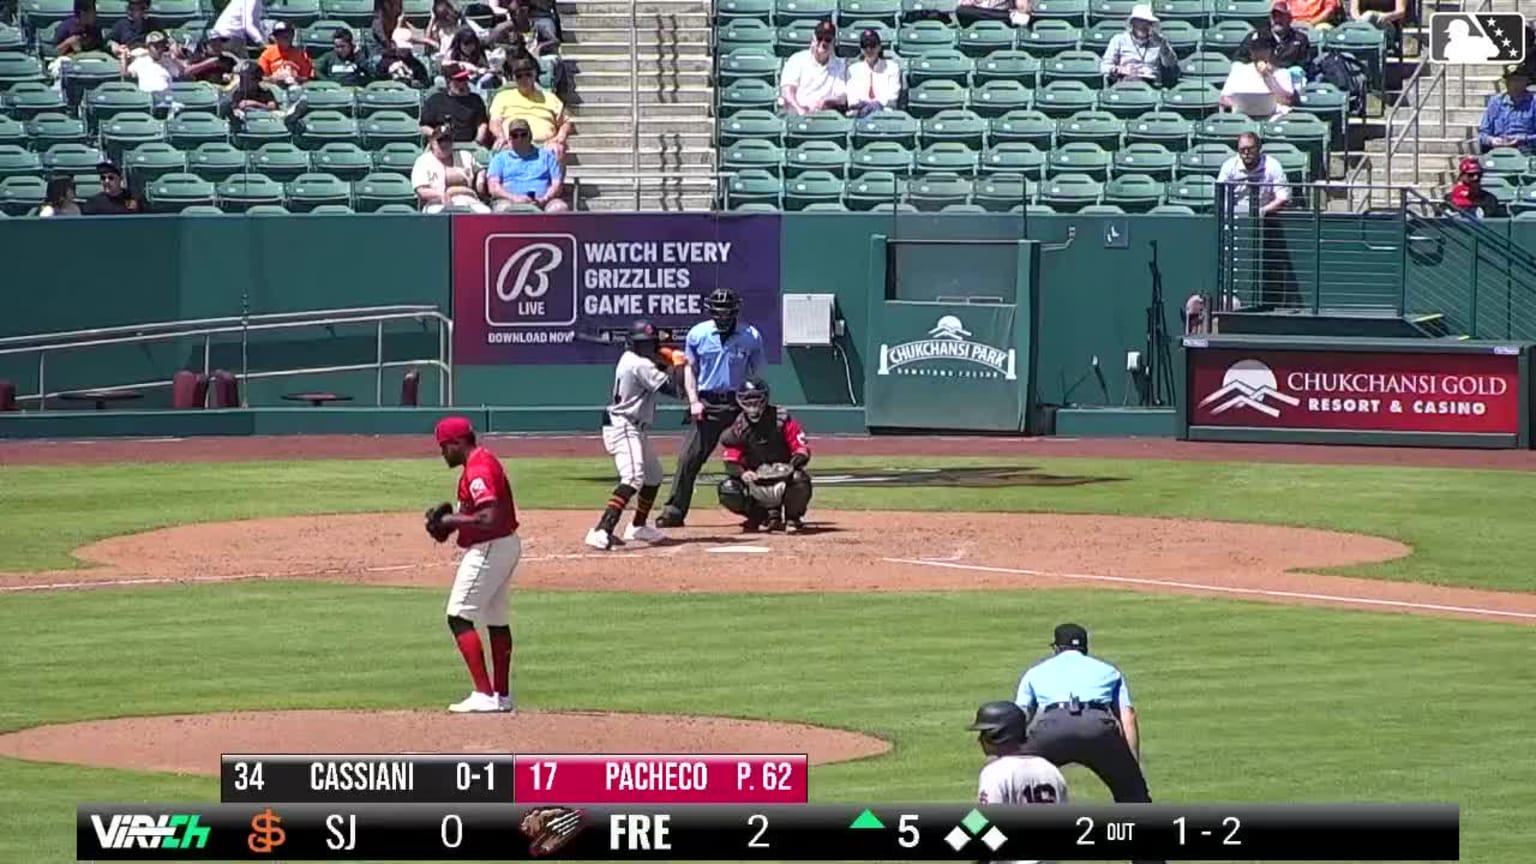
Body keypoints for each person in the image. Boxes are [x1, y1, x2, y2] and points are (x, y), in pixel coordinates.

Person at [1014, 625, 1158, 838]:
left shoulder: (1036, 671)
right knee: (1134, 798)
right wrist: (1130, 767)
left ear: (1056, 648)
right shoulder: (1108, 670)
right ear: (1085, 648)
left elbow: (1020, 715)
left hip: (1052, 728)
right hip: (1098, 728)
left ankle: (981, 843)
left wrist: (1013, 758)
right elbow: (1127, 715)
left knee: (1007, 779)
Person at [426, 416, 520, 714]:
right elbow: (481, 514)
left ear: (457, 443)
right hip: (504, 544)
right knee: (496, 618)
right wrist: (454, 524)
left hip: (489, 548)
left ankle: (483, 693)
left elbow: (488, 517)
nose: (442, 453)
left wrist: (450, 521)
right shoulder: (482, 460)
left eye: (444, 447)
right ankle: (501, 696)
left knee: (458, 614)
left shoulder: (478, 469)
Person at [654, 287, 766, 529]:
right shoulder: (698, 334)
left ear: (736, 310)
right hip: (708, 403)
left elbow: (757, 374)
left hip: (739, 404)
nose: (723, 315)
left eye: (728, 310)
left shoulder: (751, 335)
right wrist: (694, 401)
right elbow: (690, 371)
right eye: (718, 310)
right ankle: (674, 510)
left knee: (754, 459)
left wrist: (754, 405)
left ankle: (761, 512)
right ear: (711, 311)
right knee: (688, 458)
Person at [585, 320, 688, 551]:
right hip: (623, 425)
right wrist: (677, 362)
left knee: (653, 476)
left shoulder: (634, 359)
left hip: (634, 426)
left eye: (652, 343)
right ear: (635, 344)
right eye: (646, 343)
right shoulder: (638, 364)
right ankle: (602, 529)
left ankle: (638, 526)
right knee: (632, 478)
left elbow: (657, 371)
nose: (651, 347)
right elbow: (676, 390)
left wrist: (664, 360)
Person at [715, 379, 813, 533]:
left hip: (783, 477)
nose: (752, 403)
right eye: (748, 399)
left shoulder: (781, 419)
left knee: (800, 478)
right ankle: (760, 516)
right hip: (755, 479)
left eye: (756, 398)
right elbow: (731, 459)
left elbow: (801, 449)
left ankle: (792, 518)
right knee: (729, 489)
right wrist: (743, 473)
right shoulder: (739, 427)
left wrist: (790, 466)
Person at [969, 701, 1069, 812]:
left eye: (984, 733)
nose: (979, 739)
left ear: (998, 735)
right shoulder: (1051, 770)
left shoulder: (996, 772)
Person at [489, 57, 573, 161]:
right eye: (519, 76)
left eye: (528, 74)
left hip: (545, 145)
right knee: (500, 149)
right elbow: (494, 122)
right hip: (512, 142)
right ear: (514, 78)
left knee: (558, 149)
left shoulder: (550, 98)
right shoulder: (502, 97)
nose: (524, 79)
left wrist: (559, 137)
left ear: (534, 75)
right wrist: (501, 137)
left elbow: (566, 122)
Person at [486, 117, 566, 211]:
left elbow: (557, 184)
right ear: (510, 139)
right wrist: (514, 198)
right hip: (508, 201)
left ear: (530, 136)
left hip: (544, 202)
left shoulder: (547, 156)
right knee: (502, 209)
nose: (519, 139)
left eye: (523, 134)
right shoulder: (499, 159)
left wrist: (544, 198)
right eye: (515, 135)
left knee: (560, 208)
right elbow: (493, 187)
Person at [1219, 32, 1295, 119]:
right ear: (1250, 51)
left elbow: (1287, 101)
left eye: (1264, 48)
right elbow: (1223, 98)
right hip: (1243, 117)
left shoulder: (1282, 73)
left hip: (1273, 118)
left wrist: (1267, 76)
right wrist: (1238, 105)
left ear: (1271, 51)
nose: (1260, 53)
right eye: (1255, 49)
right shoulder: (1239, 70)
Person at [413, 124, 489, 212]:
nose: (444, 144)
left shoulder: (465, 156)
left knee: (486, 212)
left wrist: (480, 179)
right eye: (440, 140)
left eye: (447, 140)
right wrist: (440, 195)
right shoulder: (424, 161)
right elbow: (421, 190)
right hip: (437, 203)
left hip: (468, 200)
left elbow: (480, 169)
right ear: (432, 142)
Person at [778, 20, 846, 115]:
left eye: (828, 40)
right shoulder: (797, 60)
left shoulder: (840, 66)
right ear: (813, 39)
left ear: (833, 42)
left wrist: (826, 104)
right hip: (798, 114)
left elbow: (841, 97)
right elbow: (787, 91)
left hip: (827, 116)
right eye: (819, 38)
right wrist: (800, 109)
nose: (823, 43)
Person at [1100, 4, 1179, 87]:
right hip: (1125, 83)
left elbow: (1171, 63)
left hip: (1151, 85)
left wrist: (1163, 46)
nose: (1143, 26)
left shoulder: (1159, 42)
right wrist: (1120, 69)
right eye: (1140, 22)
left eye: (1147, 22)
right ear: (1132, 23)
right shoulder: (1119, 40)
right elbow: (1104, 66)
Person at [1216, 132, 1290, 218]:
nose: (1246, 152)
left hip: (1266, 217)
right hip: (1234, 217)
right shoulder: (1229, 166)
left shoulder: (1272, 165)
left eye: (1250, 148)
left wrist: (1262, 211)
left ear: (1259, 148)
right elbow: (1220, 196)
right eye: (1242, 149)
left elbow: (1283, 198)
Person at [421, 62, 490, 144]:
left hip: (470, 145)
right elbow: (424, 127)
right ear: (448, 82)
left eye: (465, 78)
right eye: (459, 80)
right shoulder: (435, 100)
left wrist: (477, 142)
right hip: (442, 144)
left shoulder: (475, 100)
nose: (464, 82)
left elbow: (482, 124)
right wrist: (437, 136)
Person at [1478, 66, 1536, 154]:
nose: (1515, 84)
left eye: (1519, 80)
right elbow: (1483, 133)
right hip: (1498, 151)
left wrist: (1521, 139)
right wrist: (1492, 140)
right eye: (1511, 80)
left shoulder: (1533, 102)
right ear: (1506, 83)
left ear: (1526, 82)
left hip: (1526, 151)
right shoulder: (1496, 102)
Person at [845, 29, 900, 117]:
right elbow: (852, 100)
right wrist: (866, 106)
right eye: (865, 46)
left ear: (879, 47)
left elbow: (892, 97)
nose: (869, 49)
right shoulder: (853, 70)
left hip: (884, 115)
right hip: (860, 114)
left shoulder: (892, 68)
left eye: (872, 45)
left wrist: (875, 105)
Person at [258, 21, 313, 85]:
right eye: (280, 34)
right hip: (274, 87)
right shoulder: (267, 54)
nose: (285, 37)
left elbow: (306, 78)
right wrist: (276, 79)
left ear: (292, 36)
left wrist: (295, 78)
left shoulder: (301, 54)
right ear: (275, 37)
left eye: (287, 34)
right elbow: (262, 78)